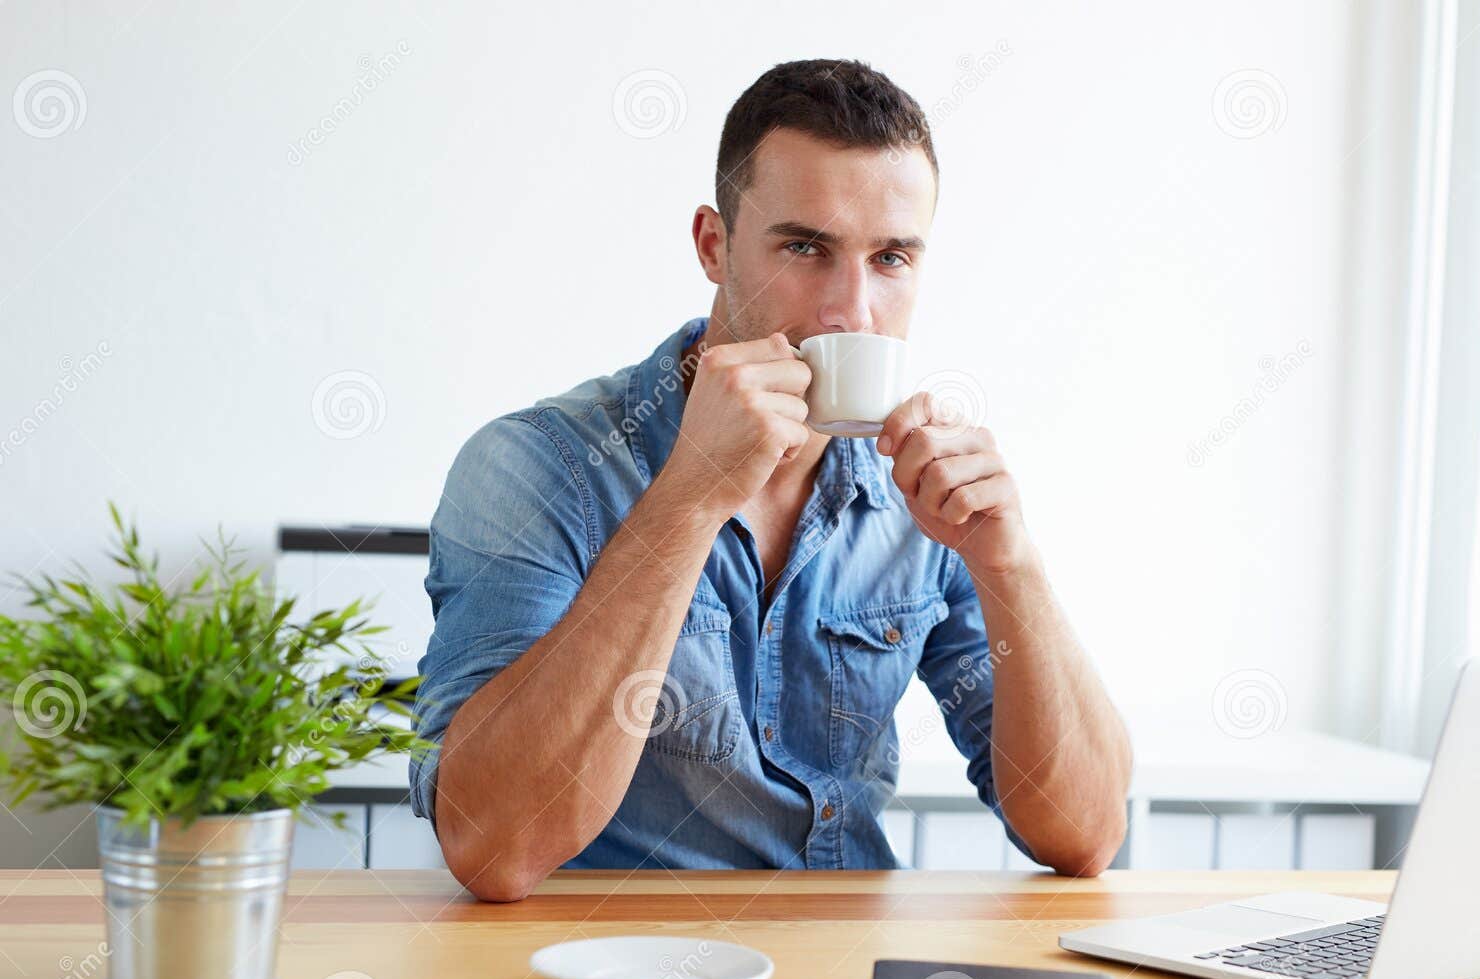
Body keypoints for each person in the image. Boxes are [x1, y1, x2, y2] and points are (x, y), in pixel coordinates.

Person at [408, 58, 1131, 900]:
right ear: (714, 247)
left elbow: (1084, 835)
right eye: (804, 247)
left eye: (891, 258)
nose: (851, 311)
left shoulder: (919, 495)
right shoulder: (538, 466)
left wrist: (1011, 565)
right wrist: (690, 497)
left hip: (846, 977)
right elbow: (491, 844)